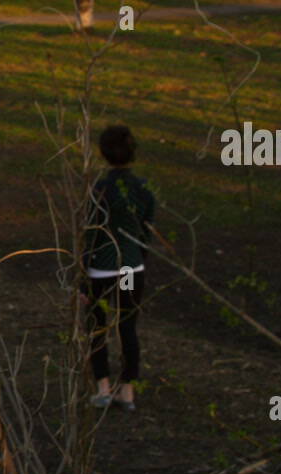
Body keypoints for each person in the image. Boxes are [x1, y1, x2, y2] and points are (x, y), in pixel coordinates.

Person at [81, 125, 155, 412]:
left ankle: (102, 387)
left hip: (101, 272)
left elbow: (92, 235)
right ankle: (127, 392)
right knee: (127, 328)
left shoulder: (99, 190)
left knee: (98, 328)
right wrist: (137, 258)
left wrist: (82, 283)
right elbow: (145, 232)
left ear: (103, 153)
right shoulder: (143, 190)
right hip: (131, 270)